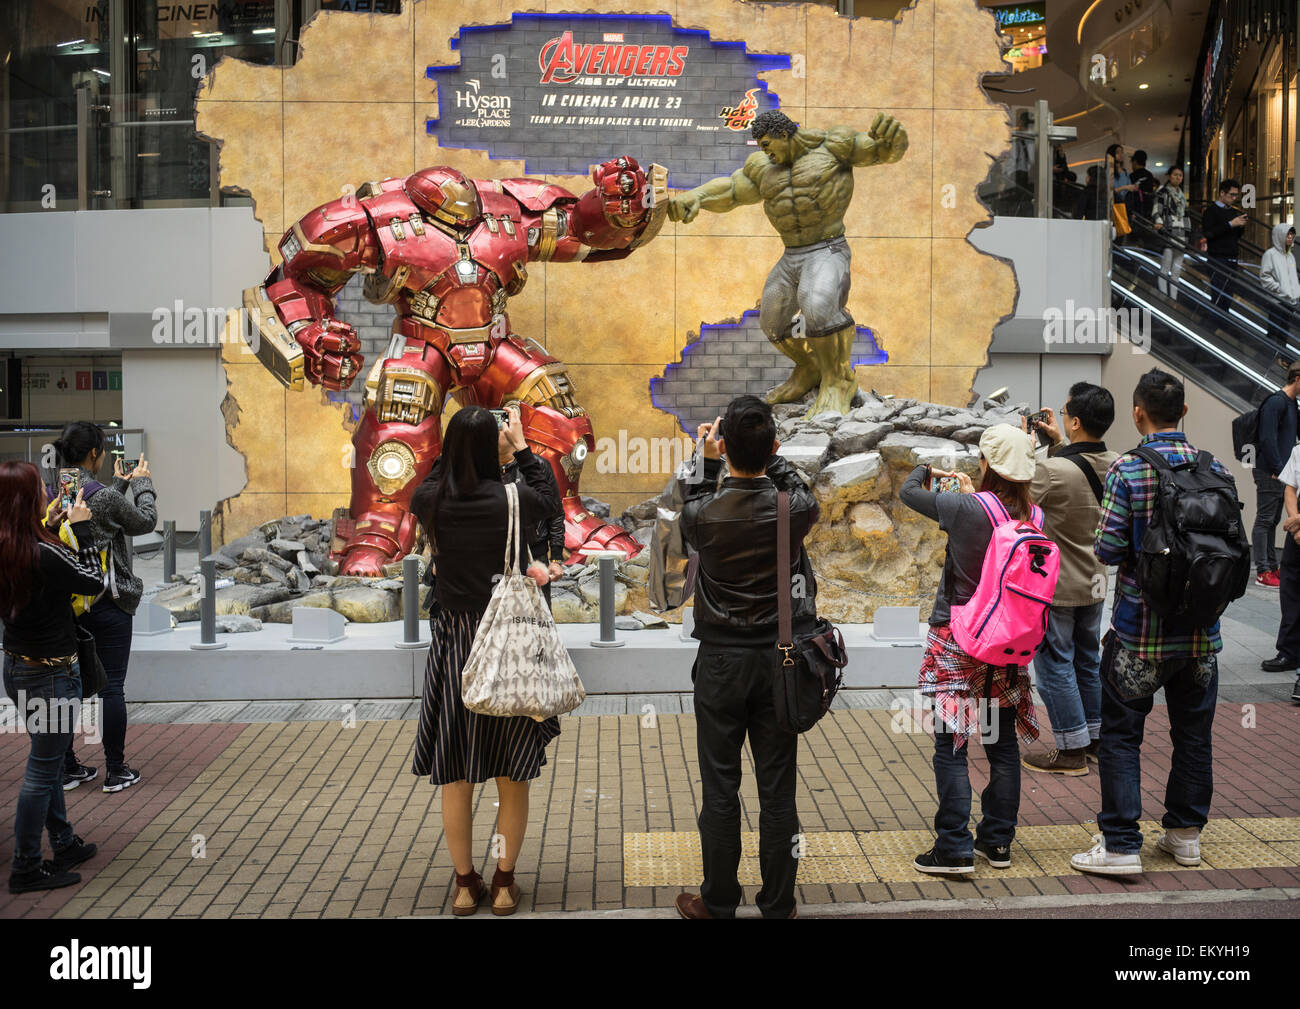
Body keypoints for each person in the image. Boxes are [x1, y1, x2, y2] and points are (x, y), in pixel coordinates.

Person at [1072, 369, 1233, 875]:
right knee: (1193, 734)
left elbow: (1107, 547)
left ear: (1138, 413)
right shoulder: (1218, 469)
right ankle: (1185, 836)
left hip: (1140, 634)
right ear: (1184, 412)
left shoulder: (1130, 469)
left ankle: (1120, 844)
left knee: (1122, 736)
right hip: (1202, 637)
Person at [408, 404, 561, 916]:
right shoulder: (514, 499)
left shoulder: (431, 501)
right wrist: (519, 446)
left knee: (457, 774)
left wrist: (453, 450)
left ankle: (463, 884)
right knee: (511, 775)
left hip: (454, 646)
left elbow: (431, 479)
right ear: (493, 445)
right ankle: (502, 883)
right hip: (507, 647)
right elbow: (549, 498)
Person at [673, 395, 818, 920]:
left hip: (720, 664)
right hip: (781, 664)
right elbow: (796, 483)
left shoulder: (702, 514)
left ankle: (718, 901)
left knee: (720, 786)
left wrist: (709, 460)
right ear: (774, 446)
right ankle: (778, 902)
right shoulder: (794, 509)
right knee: (778, 789)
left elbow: (689, 501)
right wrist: (766, 452)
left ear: (725, 446)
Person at [900, 424, 1041, 875]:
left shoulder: (963, 508)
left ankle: (954, 848)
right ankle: (996, 842)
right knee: (1001, 744)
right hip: (1006, 645)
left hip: (959, 641)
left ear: (986, 464)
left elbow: (908, 491)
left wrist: (926, 468)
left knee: (952, 744)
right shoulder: (1034, 517)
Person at [1, 461, 103, 893]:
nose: (48, 493)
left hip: (18, 665)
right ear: (28, 501)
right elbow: (94, 581)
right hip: (51, 674)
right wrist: (80, 531)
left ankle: (62, 842)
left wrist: (51, 524)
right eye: (39, 490)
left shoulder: (15, 548)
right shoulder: (44, 554)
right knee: (43, 771)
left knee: (50, 760)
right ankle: (26, 865)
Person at [53, 422, 156, 794]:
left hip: (72, 604)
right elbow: (144, 522)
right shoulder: (105, 498)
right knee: (112, 687)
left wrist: (120, 485)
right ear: (95, 453)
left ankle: (67, 768)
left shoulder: (62, 487)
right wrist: (142, 483)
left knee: (71, 686)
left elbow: (92, 522)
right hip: (109, 601)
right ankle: (116, 770)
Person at [1021, 385, 1118, 775]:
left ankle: (1070, 749)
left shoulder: (1050, 469)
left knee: (1054, 664)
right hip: (1095, 582)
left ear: (1075, 421)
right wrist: (1061, 444)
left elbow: (1017, 502)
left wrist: (1029, 449)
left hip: (1057, 586)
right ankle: (1093, 739)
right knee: (1087, 659)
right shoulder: (1118, 463)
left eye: (1064, 414)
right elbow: (1080, 471)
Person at [499, 426, 565, 607]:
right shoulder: (480, 469)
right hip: (496, 553)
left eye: (502, 427)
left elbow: (555, 513)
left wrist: (556, 558)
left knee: (538, 614)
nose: (498, 432)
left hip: (534, 551)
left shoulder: (537, 466)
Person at [1249, 364, 1300, 589]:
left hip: (1281, 471)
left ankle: (1270, 565)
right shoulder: (1276, 402)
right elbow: (1267, 439)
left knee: (1273, 520)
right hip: (1270, 470)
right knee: (1265, 519)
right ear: (1297, 379)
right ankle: (1262, 570)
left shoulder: (1291, 404)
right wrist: (1280, 470)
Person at [1271, 440, 1300, 698]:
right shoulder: (1298, 450)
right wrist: (1296, 525)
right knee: (1290, 586)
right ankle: (1289, 651)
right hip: (1297, 530)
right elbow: (1290, 489)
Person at [1200, 179, 1248, 310]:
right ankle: (1215, 324)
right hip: (1217, 258)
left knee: (1228, 295)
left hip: (1232, 257)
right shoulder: (1211, 211)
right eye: (1231, 195)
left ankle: (1222, 325)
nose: (1234, 198)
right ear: (1222, 193)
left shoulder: (1232, 211)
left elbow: (1235, 236)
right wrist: (1230, 224)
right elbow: (1209, 233)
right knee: (1218, 295)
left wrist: (1240, 225)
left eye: (1236, 195)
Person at [1152, 167, 1190, 299]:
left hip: (1181, 232)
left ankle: (1173, 298)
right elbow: (1157, 209)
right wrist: (1158, 221)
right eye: (1175, 175)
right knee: (1166, 266)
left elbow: (1185, 213)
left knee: (1176, 270)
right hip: (1169, 231)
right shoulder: (1163, 191)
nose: (1178, 177)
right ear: (1169, 176)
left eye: (1180, 175)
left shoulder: (1181, 194)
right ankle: (1163, 297)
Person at [1259, 223, 1299, 344]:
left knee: (1284, 331)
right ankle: (1271, 357)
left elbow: (1292, 277)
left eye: (1292, 235)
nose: (1290, 238)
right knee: (1275, 331)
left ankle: (1281, 357)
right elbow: (1265, 277)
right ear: (1279, 236)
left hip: (1290, 300)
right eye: (1287, 235)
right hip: (1277, 300)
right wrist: (1281, 289)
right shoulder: (1270, 254)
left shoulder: (1290, 256)